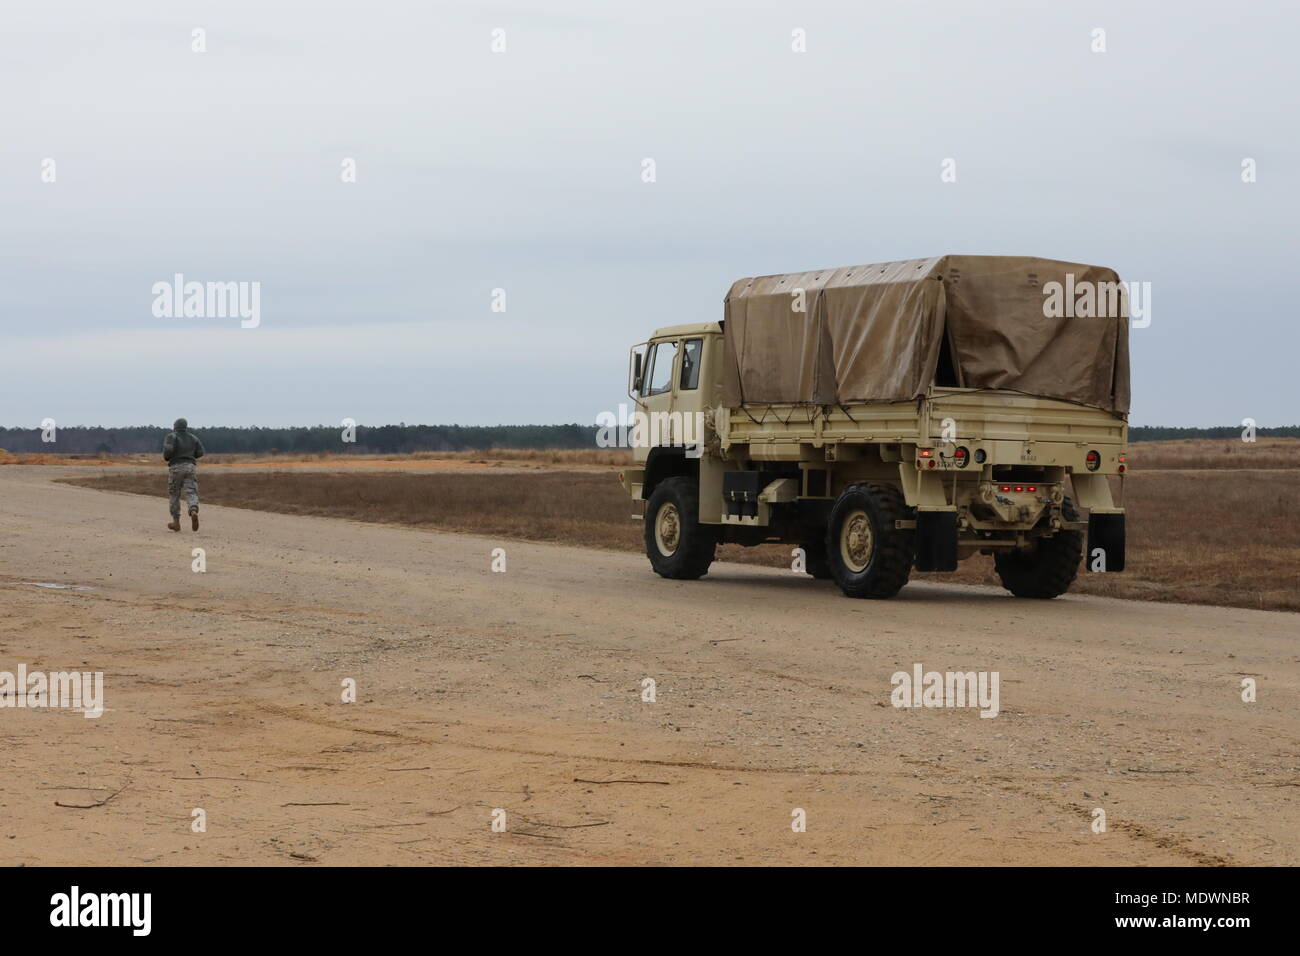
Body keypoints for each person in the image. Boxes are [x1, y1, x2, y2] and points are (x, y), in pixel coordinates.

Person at [163, 418, 204, 531]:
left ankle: (176, 523)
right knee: (191, 491)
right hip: (190, 467)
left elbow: (167, 452)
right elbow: (200, 452)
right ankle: (193, 510)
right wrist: (189, 455)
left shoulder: (172, 436)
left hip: (176, 466)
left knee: (174, 494)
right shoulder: (193, 438)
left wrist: (169, 457)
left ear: (175, 426)